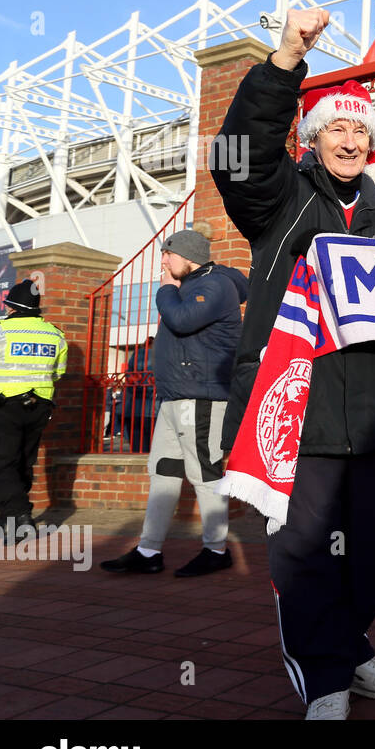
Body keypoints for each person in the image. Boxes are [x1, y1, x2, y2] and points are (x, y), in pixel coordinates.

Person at [209, 7, 375, 720]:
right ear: (311, 137)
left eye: (361, 130)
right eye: (336, 126)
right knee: (302, 551)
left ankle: (350, 643)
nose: (350, 138)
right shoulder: (278, 197)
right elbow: (235, 155)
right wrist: (282, 61)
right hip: (293, 409)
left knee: (372, 547)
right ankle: (327, 675)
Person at [100, 227, 248, 577]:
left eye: (168, 254)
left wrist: (167, 287)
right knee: (163, 472)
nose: (163, 262)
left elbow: (182, 321)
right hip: (174, 397)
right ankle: (149, 551)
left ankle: (217, 549)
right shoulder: (192, 284)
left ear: (189, 255)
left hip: (202, 396)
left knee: (205, 474)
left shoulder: (214, 285)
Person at [0, 280, 67, 537]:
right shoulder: (54, 333)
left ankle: (20, 515)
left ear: (10, 307)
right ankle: (8, 519)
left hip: (3, 405)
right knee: (23, 459)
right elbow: (58, 372)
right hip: (40, 407)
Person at [118, 336, 156, 453]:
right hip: (153, 409)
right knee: (154, 450)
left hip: (133, 409)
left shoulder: (134, 357)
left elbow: (129, 381)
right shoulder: (160, 356)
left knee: (137, 449)